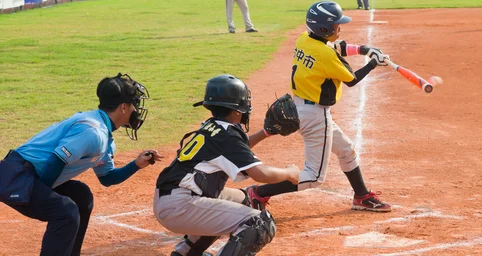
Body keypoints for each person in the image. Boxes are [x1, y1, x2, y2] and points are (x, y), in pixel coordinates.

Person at [245, 1, 392, 213]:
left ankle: (361, 196)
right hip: (314, 115)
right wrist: (372, 64)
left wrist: (365, 49)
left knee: (346, 151)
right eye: (336, 25)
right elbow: (351, 79)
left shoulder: (304, 39)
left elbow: (338, 46)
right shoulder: (326, 55)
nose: (339, 28)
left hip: (301, 108)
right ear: (324, 29)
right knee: (313, 177)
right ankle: (258, 193)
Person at [0, 73, 161, 256]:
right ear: (123, 107)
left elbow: (107, 178)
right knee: (65, 211)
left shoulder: (104, 135)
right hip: (15, 176)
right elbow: (56, 160)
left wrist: (137, 164)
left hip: (31, 175)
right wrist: (42, 196)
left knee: (81, 196)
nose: (137, 110)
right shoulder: (92, 131)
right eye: (134, 104)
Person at [154, 75, 300, 256]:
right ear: (237, 111)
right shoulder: (227, 135)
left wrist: (266, 132)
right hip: (180, 206)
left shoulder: (213, 126)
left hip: (173, 199)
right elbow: (260, 174)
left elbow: (238, 148)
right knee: (259, 223)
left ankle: (186, 253)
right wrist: (289, 172)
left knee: (243, 199)